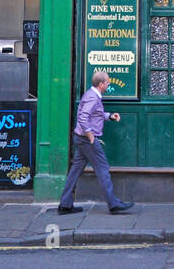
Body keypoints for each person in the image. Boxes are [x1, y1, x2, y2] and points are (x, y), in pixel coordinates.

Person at [55, 71, 134, 215]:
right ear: (101, 84)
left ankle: (65, 204)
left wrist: (109, 116)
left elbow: (94, 114)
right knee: (103, 169)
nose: (109, 84)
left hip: (80, 138)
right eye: (107, 82)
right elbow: (84, 118)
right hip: (86, 140)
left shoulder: (91, 95)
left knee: (75, 171)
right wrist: (90, 135)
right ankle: (113, 204)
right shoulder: (93, 98)